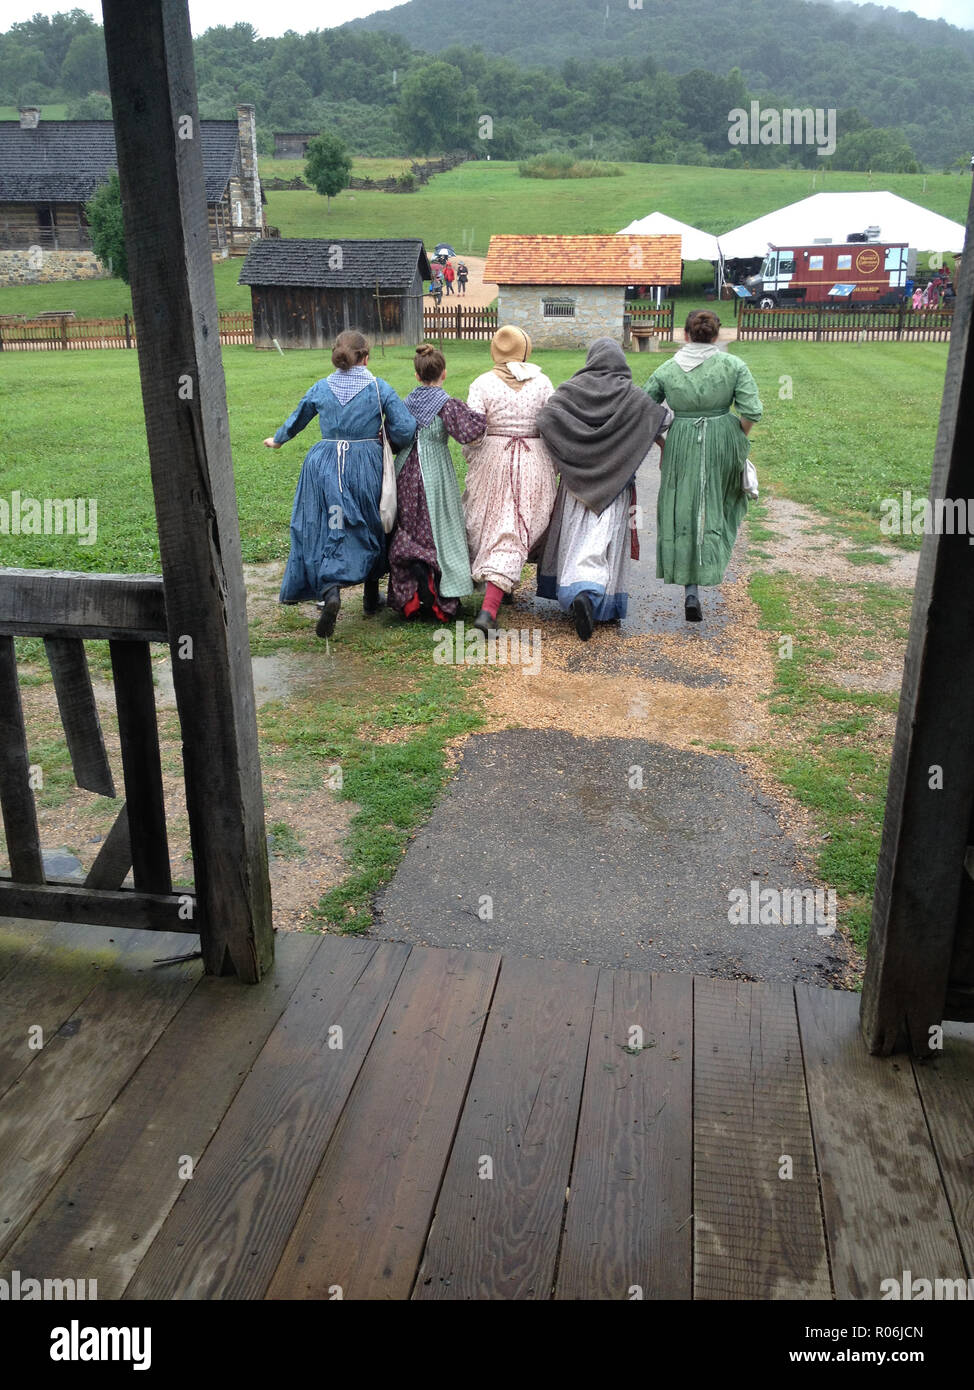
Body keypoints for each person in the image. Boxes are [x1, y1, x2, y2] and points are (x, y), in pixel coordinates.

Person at [263, 329, 416, 638]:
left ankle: (331, 591)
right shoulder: (378, 388)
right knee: (371, 524)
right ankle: (371, 598)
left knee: (330, 524)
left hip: (324, 465)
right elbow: (406, 427)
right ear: (366, 357)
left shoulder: (321, 387)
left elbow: (299, 417)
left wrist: (278, 440)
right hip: (364, 464)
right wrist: (391, 440)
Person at [536, 338, 672, 640]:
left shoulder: (570, 391)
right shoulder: (631, 396)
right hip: (614, 486)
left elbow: (546, 418)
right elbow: (660, 418)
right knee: (599, 542)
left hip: (575, 485)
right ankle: (590, 595)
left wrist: (570, 454)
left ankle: (580, 594)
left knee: (576, 540)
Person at [644, 309, 762, 623]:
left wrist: (661, 441)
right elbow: (751, 411)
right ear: (717, 335)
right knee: (716, 506)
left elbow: (644, 408)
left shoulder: (668, 368)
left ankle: (690, 587)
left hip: (680, 440)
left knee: (682, 508)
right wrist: (736, 437)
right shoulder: (733, 365)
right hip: (723, 438)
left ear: (685, 335)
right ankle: (708, 568)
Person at [461, 325, 558, 632]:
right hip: (532, 457)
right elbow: (553, 426)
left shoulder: (482, 383)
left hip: (493, 458)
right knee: (515, 528)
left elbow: (473, 432)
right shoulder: (542, 383)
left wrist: (474, 455)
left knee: (498, 526)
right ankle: (493, 602)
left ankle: (495, 597)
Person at [388, 344, 486, 621]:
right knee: (439, 527)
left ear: (417, 376)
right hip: (436, 473)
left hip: (405, 470)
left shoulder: (404, 404)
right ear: (444, 374)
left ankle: (412, 589)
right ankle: (439, 587)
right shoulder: (447, 404)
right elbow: (470, 433)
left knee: (408, 525)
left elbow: (393, 437)